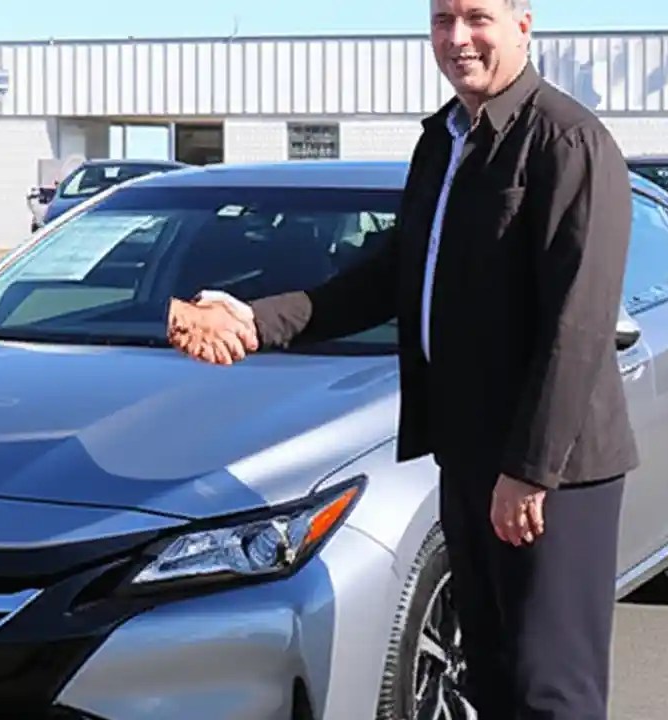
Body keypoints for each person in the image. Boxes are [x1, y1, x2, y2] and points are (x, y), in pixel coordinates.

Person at [166, 0, 638, 718]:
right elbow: (387, 278)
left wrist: (528, 472)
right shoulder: (443, 142)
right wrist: (255, 321)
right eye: (442, 20)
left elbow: (577, 324)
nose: (457, 39)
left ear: (523, 23)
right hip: (467, 454)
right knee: (490, 677)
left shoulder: (567, 141)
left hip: (552, 473)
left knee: (551, 690)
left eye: (477, 17)